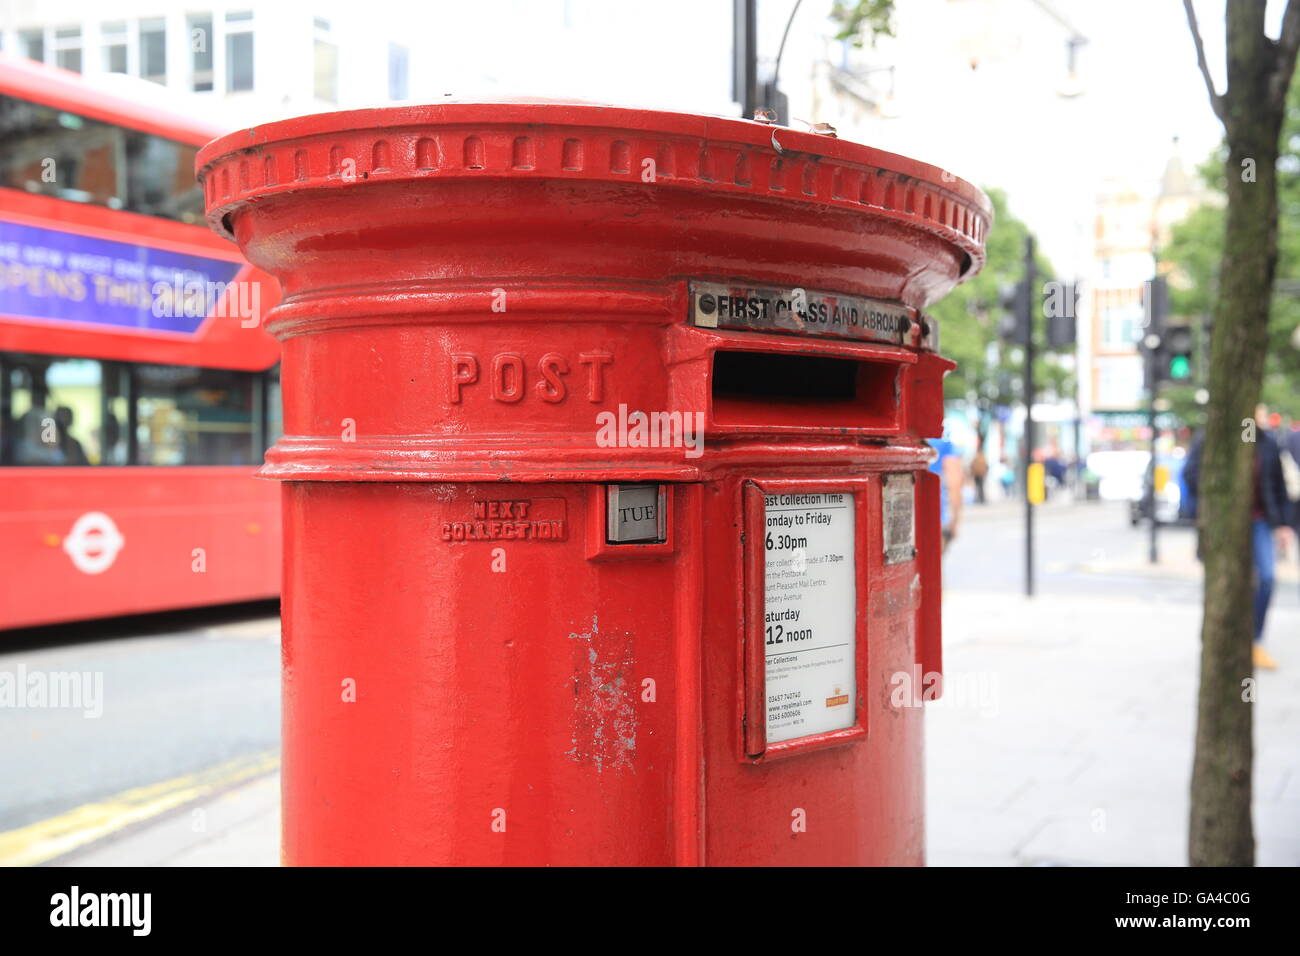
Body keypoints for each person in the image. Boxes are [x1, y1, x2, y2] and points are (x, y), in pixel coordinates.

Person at [1184, 406, 1293, 669]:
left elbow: (1278, 485)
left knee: (1266, 578)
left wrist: (1282, 525)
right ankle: (1222, 638)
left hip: (1258, 521)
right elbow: (1192, 473)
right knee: (1227, 581)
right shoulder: (1213, 438)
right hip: (1225, 522)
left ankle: (1254, 640)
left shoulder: (1267, 444)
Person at [927, 426, 964, 552]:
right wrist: (955, 520)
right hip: (937, 516)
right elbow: (954, 482)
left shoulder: (913, 436)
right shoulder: (943, 440)